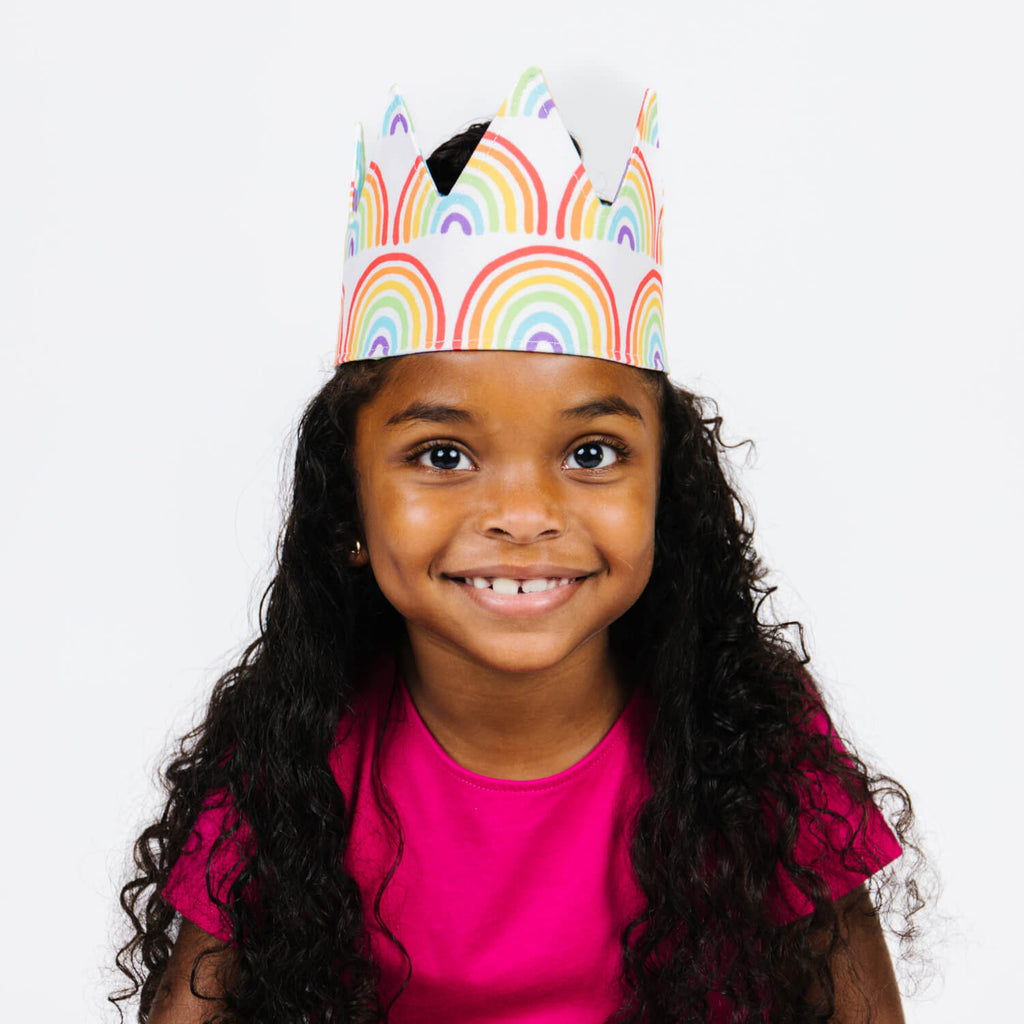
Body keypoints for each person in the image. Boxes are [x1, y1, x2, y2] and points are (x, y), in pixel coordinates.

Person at [112, 68, 923, 1024]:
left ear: (668, 492)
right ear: (348, 513)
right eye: (443, 454)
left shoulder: (753, 745)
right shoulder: (293, 763)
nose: (525, 513)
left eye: (591, 452)